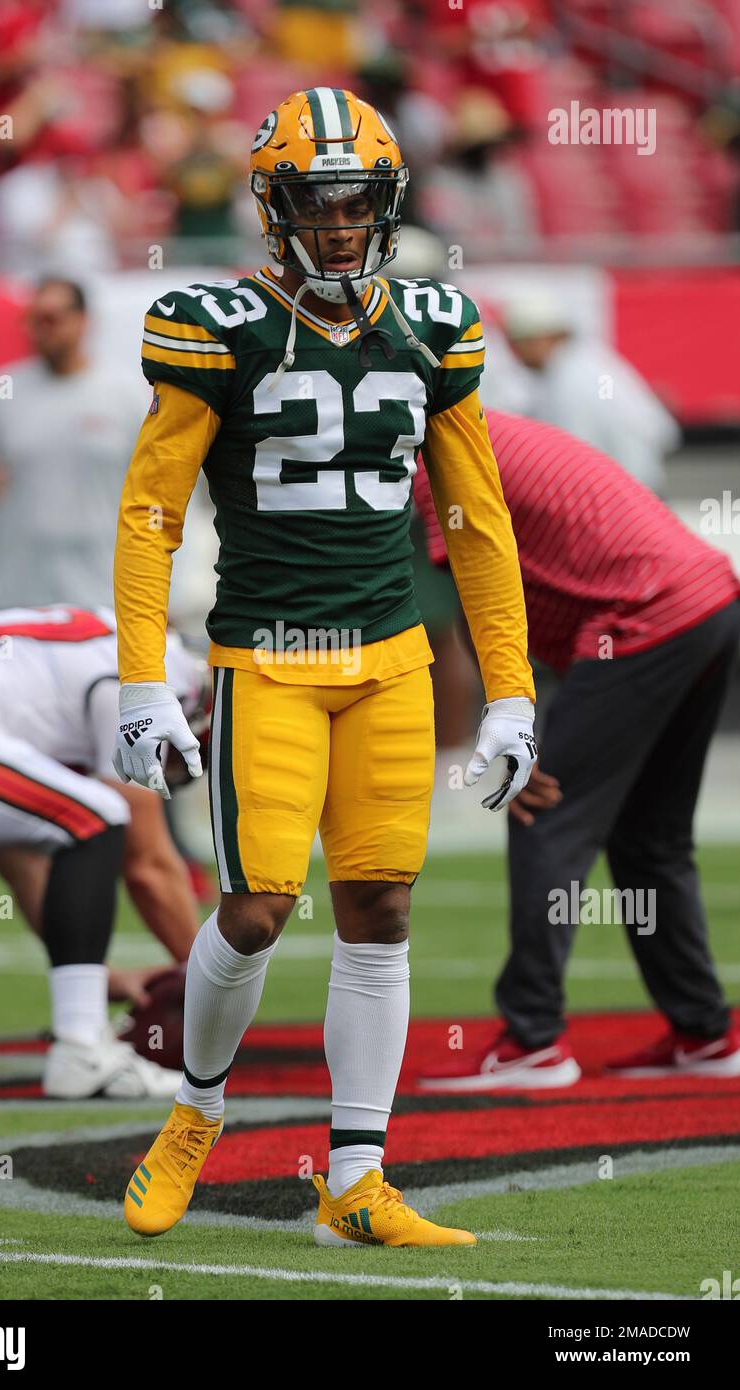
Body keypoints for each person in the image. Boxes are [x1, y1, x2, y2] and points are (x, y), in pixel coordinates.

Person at [113, 88, 537, 1249]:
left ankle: (353, 1181)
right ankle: (194, 1112)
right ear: (273, 205)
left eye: (359, 200)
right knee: (253, 909)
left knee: (381, 909)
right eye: (317, 199)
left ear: (388, 205)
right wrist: (142, 678)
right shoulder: (216, 323)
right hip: (269, 659)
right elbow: (150, 512)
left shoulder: (434, 324)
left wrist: (509, 690)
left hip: (393, 663)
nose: (342, 222)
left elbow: (478, 519)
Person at [412, 411, 740, 1090]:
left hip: (646, 613)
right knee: (649, 837)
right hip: (704, 600)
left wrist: (508, 722)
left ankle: (533, 1037)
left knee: (543, 807)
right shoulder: (481, 427)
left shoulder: (436, 450)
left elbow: (479, 589)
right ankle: (704, 1031)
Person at [0, 605, 207, 1098]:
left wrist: (97, 977)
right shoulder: (151, 674)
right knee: (98, 815)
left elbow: (19, 859)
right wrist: (215, 983)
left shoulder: (93, 651)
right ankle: (82, 1048)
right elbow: (149, 867)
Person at [0, 278, 147, 611]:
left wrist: (168, 596)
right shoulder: (4, 393)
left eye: (52, 319)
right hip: (19, 600)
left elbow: (161, 497)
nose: (40, 330)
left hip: (105, 601)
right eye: (34, 319)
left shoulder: (126, 395)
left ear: (83, 321)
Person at [501, 289, 681, 496]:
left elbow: (569, 463)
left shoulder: (568, 381)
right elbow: (662, 430)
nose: (515, 355)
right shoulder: (591, 362)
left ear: (540, 339)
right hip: (640, 493)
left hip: (620, 500)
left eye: (517, 344)